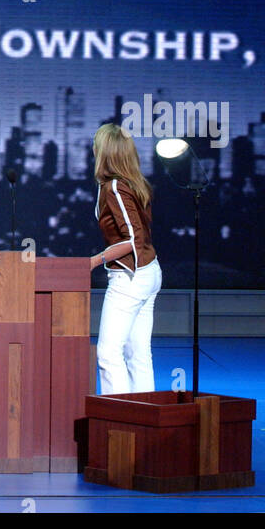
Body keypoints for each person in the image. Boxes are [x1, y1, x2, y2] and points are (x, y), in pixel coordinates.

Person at [90, 122, 162, 396]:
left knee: (109, 353)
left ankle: (118, 422)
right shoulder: (130, 183)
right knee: (138, 355)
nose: (92, 149)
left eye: (96, 145)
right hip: (148, 273)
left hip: (131, 277)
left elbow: (131, 240)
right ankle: (143, 422)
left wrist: (93, 262)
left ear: (105, 152)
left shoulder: (116, 187)